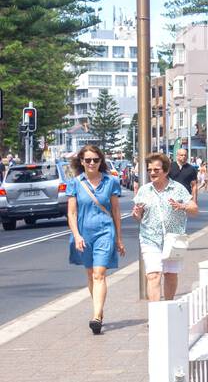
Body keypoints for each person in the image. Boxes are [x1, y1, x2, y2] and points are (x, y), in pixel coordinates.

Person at [67, 144, 125, 335]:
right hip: (84, 233)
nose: (92, 163)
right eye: (88, 160)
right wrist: (76, 235)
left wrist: (119, 238)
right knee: (91, 273)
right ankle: (98, 310)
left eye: (96, 160)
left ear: (101, 161)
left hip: (104, 232)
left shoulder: (111, 181)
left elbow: (116, 210)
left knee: (100, 273)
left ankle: (96, 316)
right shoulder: (75, 183)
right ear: (81, 162)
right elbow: (72, 213)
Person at [132, 153, 199, 301]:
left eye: (156, 169)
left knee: (170, 275)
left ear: (166, 171)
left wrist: (182, 206)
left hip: (173, 240)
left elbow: (194, 209)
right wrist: (136, 213)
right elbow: (138, 216)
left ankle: (168, 307)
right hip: (150, 238)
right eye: (150, 170)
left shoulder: (178, 189)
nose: (152, 173)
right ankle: (156, 316)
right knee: (153, 275)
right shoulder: (144, 190)